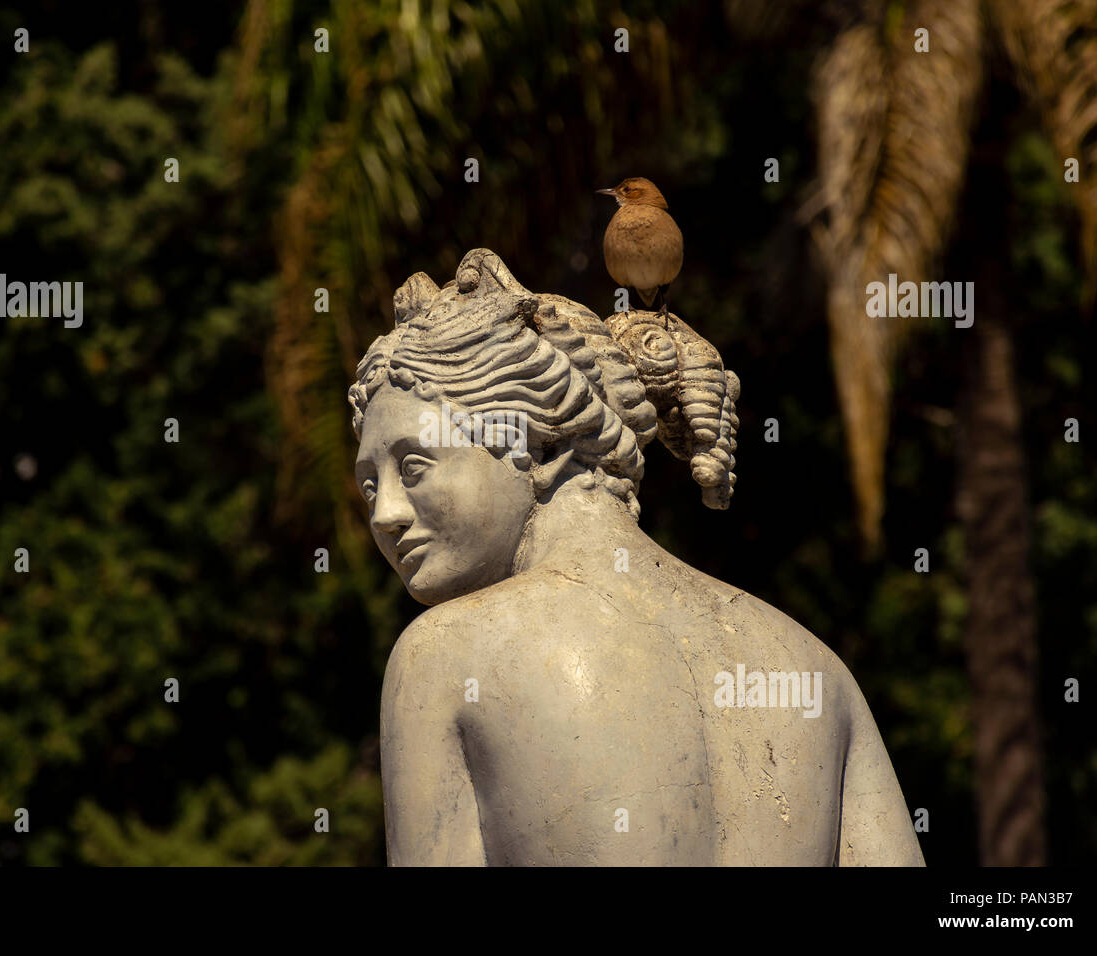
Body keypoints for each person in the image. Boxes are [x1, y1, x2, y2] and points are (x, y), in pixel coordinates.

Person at [348, 248, 923, 866]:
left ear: (536, 442)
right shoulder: (814, 671)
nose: (385, 515)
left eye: (413, 466)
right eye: (370, 486)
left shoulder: (446, 654)